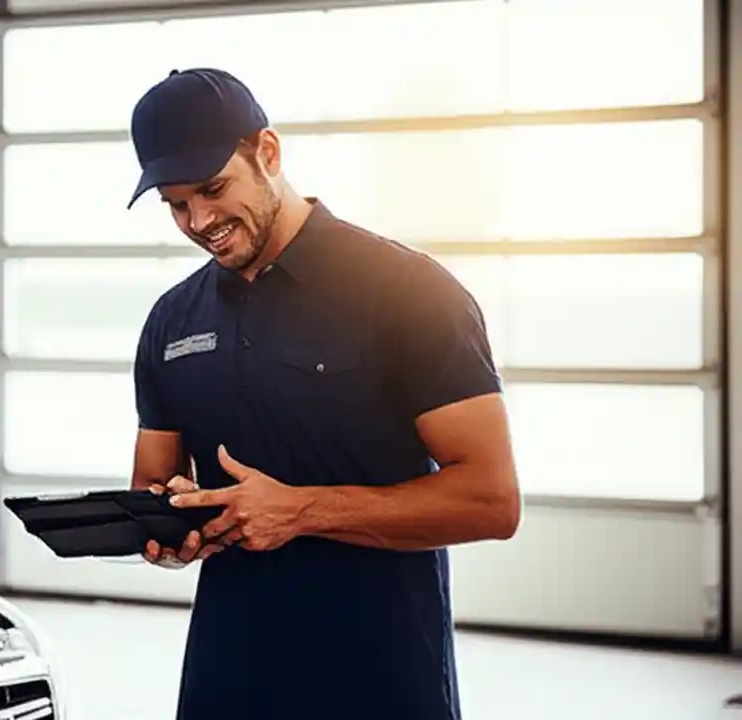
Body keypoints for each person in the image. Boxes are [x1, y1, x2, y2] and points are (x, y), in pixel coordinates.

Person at [124, 67, 522, 719]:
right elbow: (153, 482)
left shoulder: (408, 291)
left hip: (379, 680)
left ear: (269, 154)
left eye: (213, 188)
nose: (198, 220)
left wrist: (300, 510)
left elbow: (492, 500)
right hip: (225, 683)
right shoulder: (172, 320)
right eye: (175, 203)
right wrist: (167, 530)